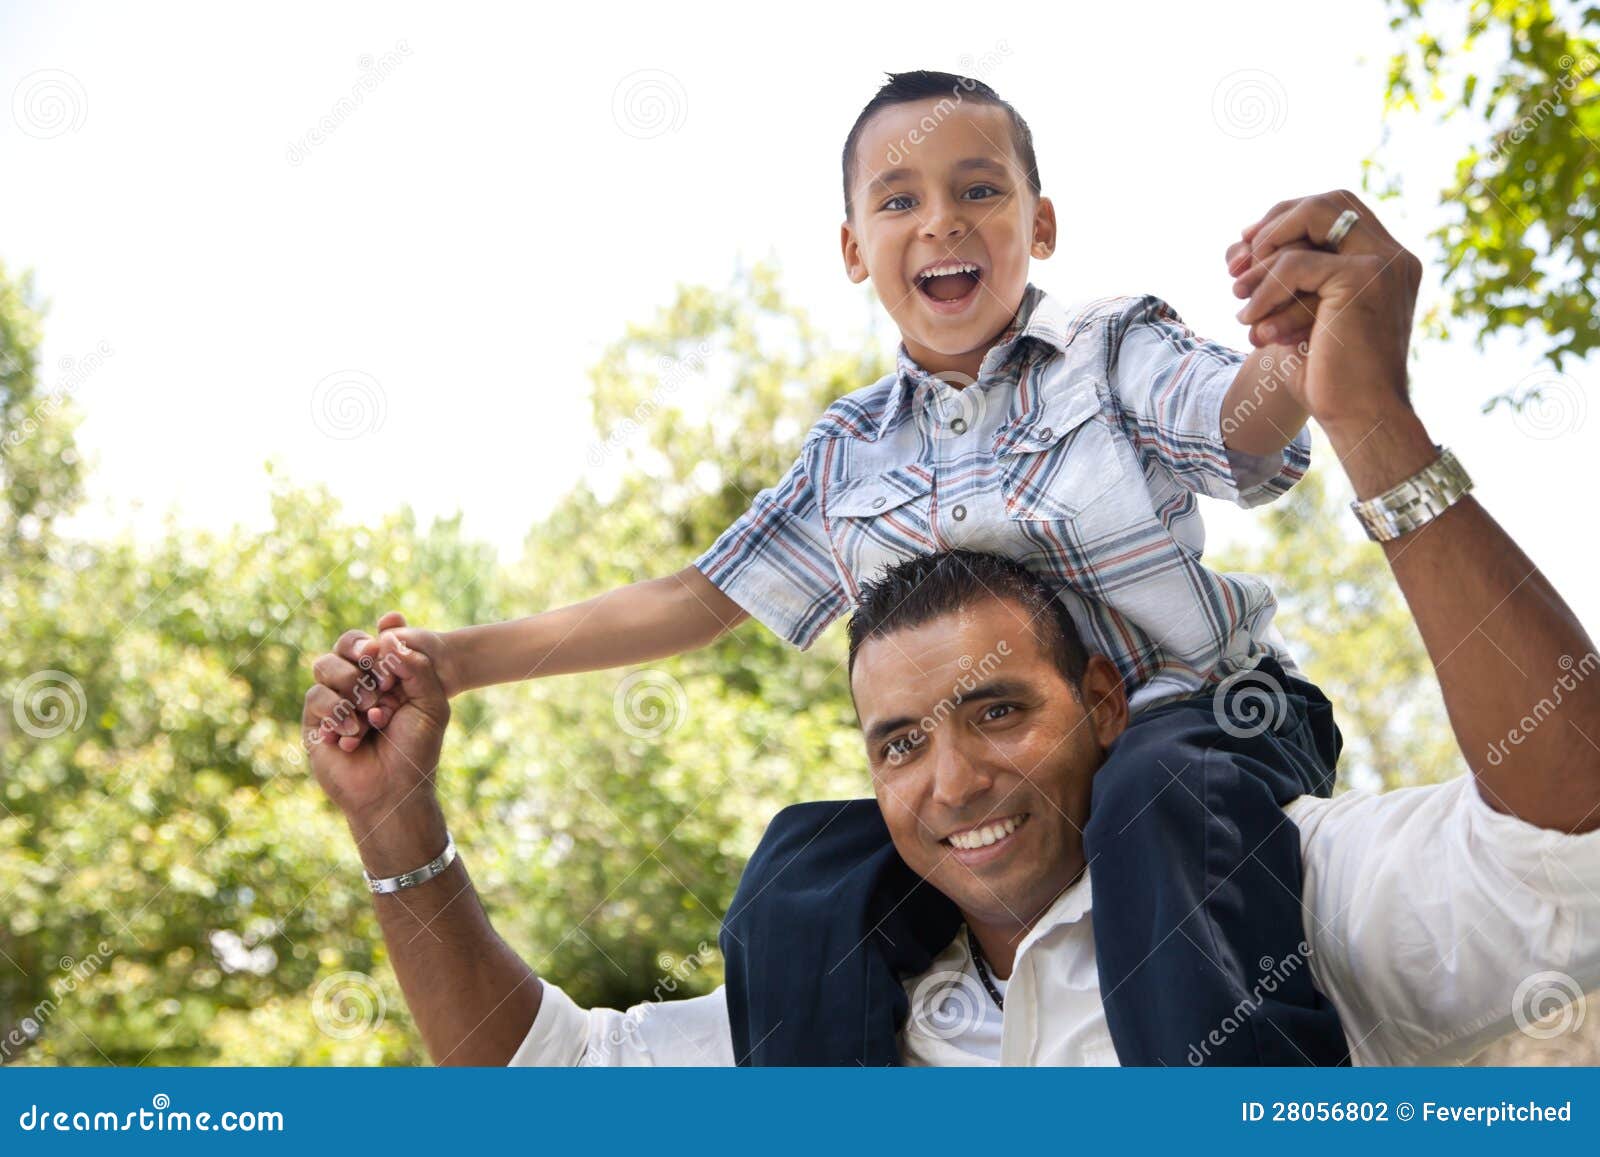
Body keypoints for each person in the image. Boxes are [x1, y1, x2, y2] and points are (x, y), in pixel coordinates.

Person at [302, 189, 1600, 1065]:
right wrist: (439, 699)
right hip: (1094, 794)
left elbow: (1248, 413)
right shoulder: (852, 452)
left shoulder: (1108, 351)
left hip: (1200, 746)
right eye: (900, 738)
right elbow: (697, 599)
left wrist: (1342, 385)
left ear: (1038, 223)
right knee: (797, 873)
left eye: (996, 709)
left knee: (1156, 802)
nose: (954, 770)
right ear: (856, 251)